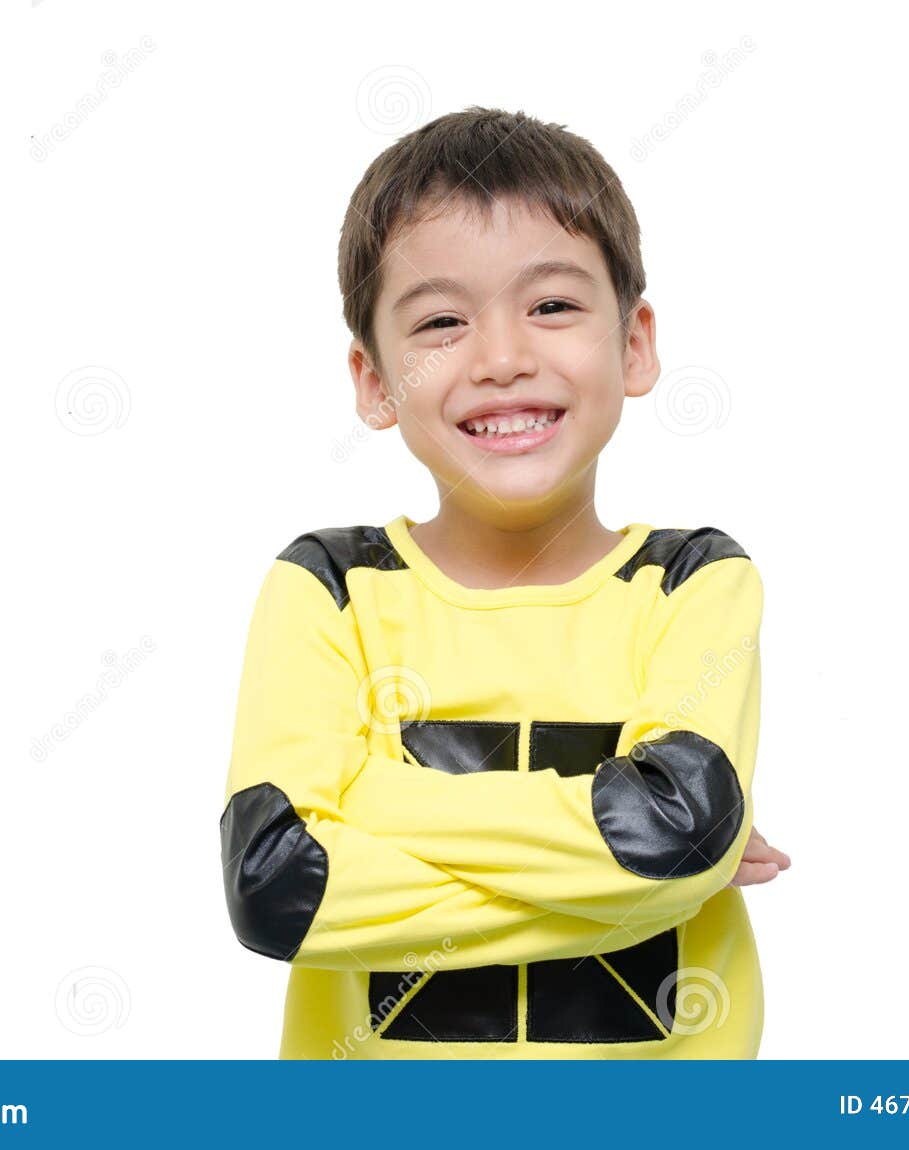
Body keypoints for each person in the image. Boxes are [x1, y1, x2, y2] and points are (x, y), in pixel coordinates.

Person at [220, 106, 791, 1059]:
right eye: (442, 322)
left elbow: (674, 833)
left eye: (553, 306)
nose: (502, 359)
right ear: (374, 381)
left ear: (635, 344)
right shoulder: (331, 588)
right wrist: (656, 873)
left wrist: (366, 798)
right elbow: (280, 888)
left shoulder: (693, 581)